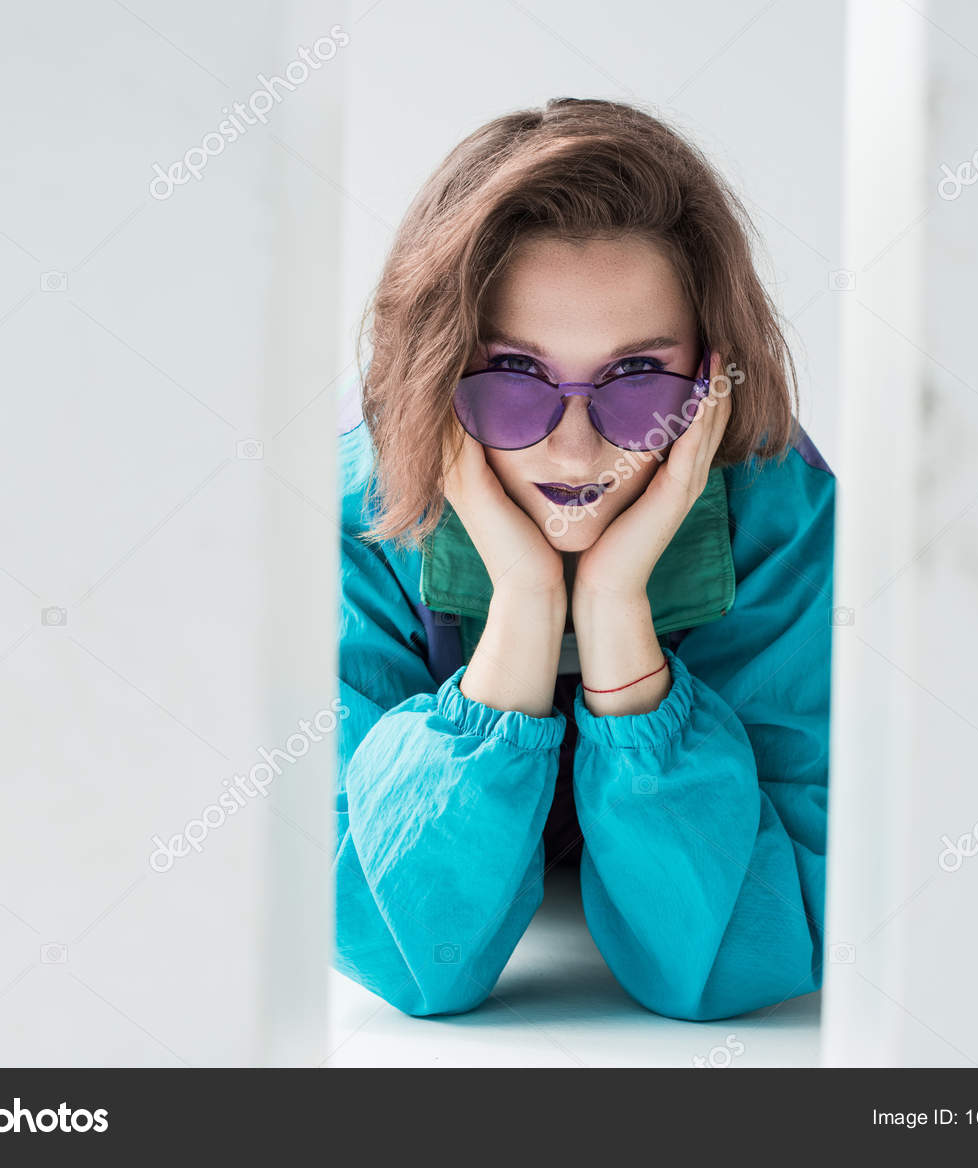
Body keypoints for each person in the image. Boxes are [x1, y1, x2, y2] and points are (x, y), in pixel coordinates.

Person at [334, 97, 836, 1021]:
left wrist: (614, 611)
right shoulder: (351, 518)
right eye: (513, 378)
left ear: (712, 378)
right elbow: (405, 955)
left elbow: (745, 957)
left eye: (639, 378)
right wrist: (527, 602)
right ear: (433, 374)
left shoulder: (783, 516)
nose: (573, 453)